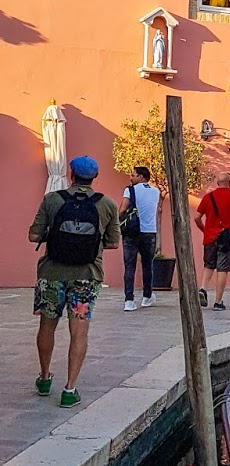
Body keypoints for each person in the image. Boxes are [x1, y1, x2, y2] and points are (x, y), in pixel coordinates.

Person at [28, 155, 120, 408]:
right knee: (79, 330)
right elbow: (113, 242)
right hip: (87, 276)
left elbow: (33, 234)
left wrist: (54, 236)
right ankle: (70, 389)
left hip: (52, 274)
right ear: (94, 177)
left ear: (71, 174)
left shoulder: (52, 199)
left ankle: (45, 377)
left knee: (47, 326)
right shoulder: (108, 204)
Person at [194, 173, 230, 311]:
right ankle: (218, 302)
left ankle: (203, 288)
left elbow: (197, 217)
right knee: (222, 269)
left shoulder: (208, 197)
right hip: (227, 239)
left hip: (210, 238)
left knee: (209, 265)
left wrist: (205, 230)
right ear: (229, 183)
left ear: (217, 183)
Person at [120, 164, 161, 311]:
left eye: (133, 175)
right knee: (147, 264)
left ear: (141, 177)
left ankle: (129, 300)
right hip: (149, 231)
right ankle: (147, 296)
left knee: (129, 266)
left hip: (131, 232)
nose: (131, 178)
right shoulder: (156, 191)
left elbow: (123, 209)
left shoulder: (130, 190)